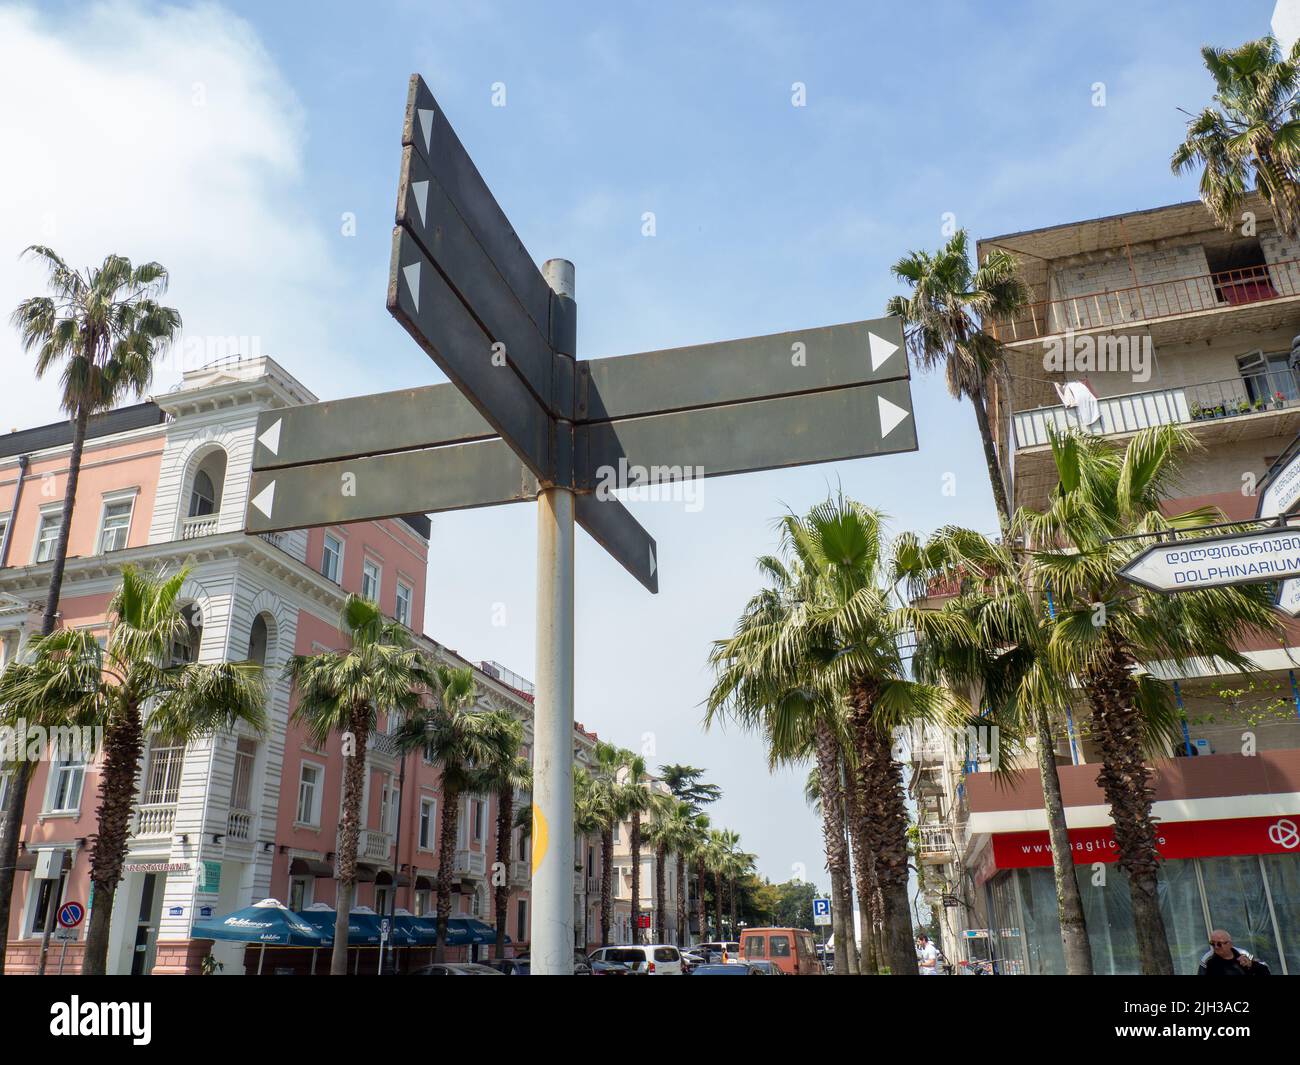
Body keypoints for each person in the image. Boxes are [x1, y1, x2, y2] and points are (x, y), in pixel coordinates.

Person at [1197, 930, 1271, 976]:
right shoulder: (1207, 960)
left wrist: (1251, 964)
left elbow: (1264, 969)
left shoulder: (1243, 953)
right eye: (1212, 943)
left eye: (1219, 944)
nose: (1216, 947)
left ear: (1229, 944)